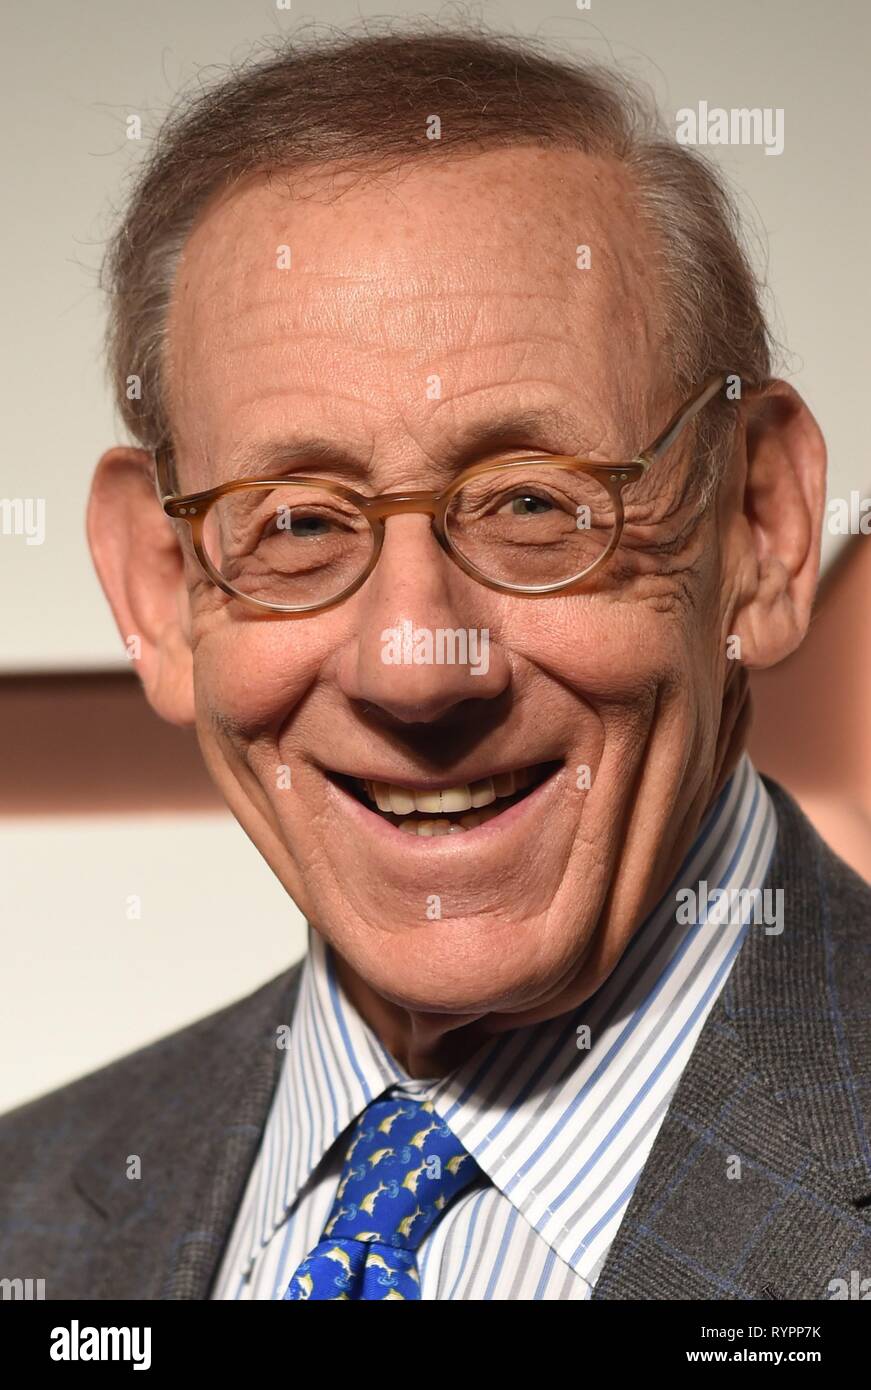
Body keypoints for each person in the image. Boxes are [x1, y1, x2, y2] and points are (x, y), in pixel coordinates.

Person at [2, 26, 868, 1302]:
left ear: (763, 528)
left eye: (531, 502)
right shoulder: (30, 1213)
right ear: (158, 589)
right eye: (296, 522)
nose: (415, 664)